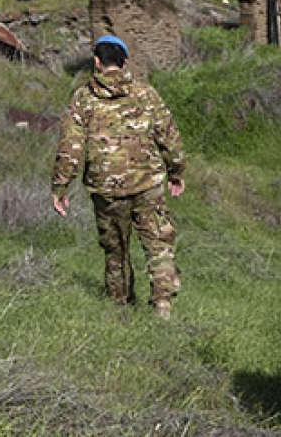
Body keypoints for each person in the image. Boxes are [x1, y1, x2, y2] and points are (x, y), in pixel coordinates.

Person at [52, 35, 185, 319]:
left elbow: (70, 148)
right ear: (125, 63)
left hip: (106, 188)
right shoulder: (146, 93)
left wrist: (60, 186)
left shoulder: (83, 99)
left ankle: (120, 307)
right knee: (159, 244)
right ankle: (163, 303)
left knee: (115, 249)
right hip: (147, 183)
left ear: (97, 62)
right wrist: (176, 171)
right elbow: (168, 136)